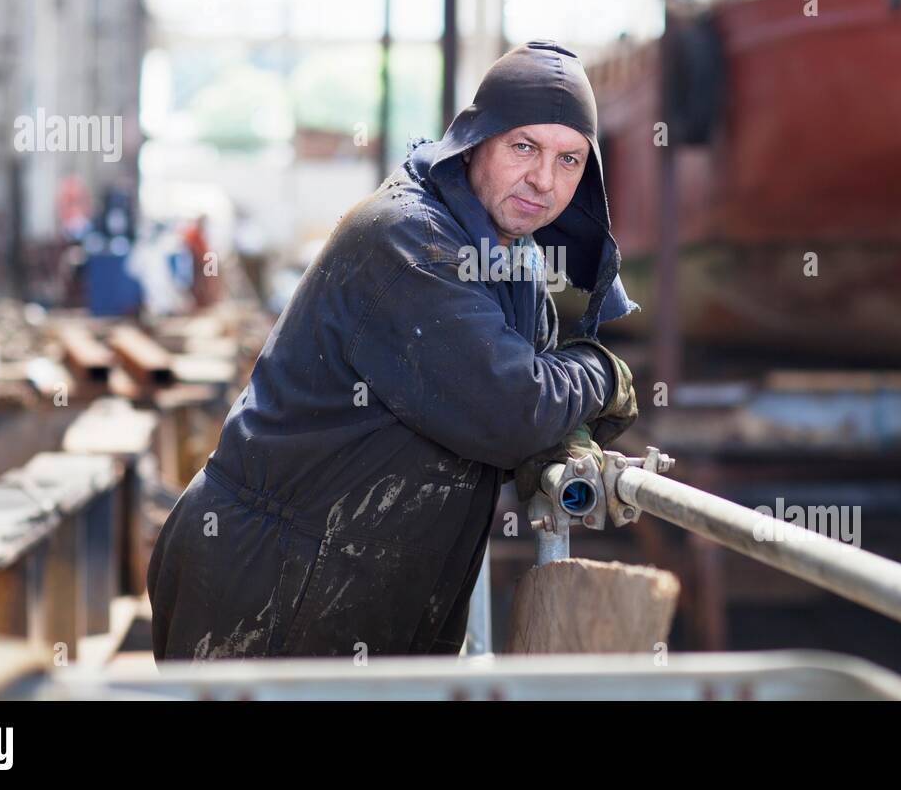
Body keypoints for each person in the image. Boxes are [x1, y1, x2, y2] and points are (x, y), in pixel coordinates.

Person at [147, 40, 639, 659]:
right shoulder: (410, 241)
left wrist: (567, 435)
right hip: (267, 586)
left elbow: (529, 393)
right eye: (524, 147)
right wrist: (602, 371)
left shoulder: (509, 257)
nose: (544, 179)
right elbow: (513, 408)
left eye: (569, 160)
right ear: (475, 141)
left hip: (352, 582)